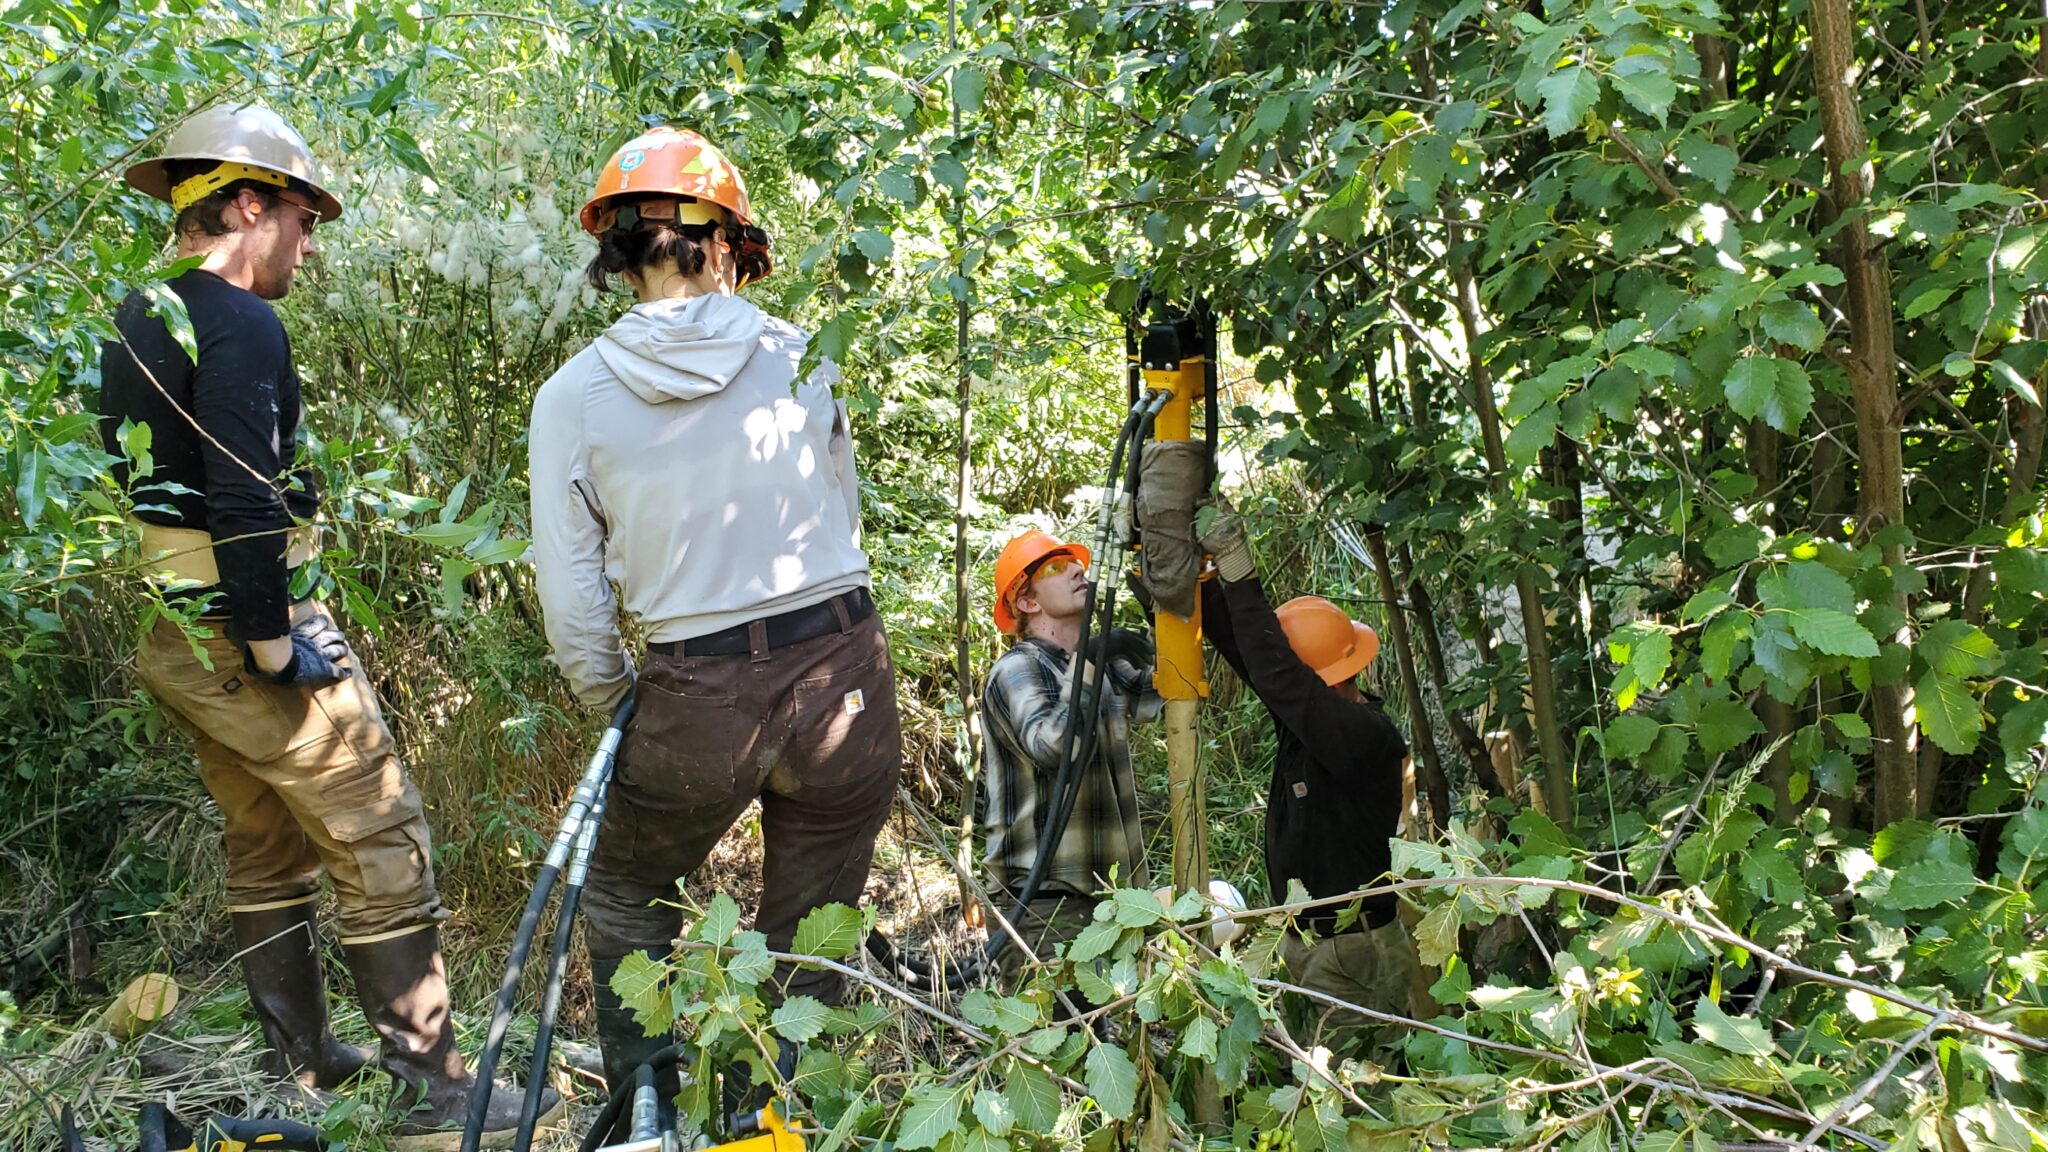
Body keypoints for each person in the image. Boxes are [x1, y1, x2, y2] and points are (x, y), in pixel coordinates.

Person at [100, 103, 555, 1146]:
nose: (310, 244)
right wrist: (274, 646)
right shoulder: (239, 319)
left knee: (265, 842)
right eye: (305, 220)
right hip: (241, 627)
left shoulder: (134, 311)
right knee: (380, 834)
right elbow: (245, 494)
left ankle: (298, 1063)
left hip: (176, 631)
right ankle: (430, 1088)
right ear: (249, 204)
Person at [528, 126, 902, 1120]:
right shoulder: (802, 355)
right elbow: (843, 517)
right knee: (811, 919)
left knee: (620, 889)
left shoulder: (571, 397)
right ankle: (769, 1113)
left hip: (696, 686)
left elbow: (572, 607)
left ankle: (645, 1111)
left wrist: (627, 705)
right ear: (730, 243)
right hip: (845, 670)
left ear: (616, 252)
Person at [1195, 494, 1420, 1057]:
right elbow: (1255, 659)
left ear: (1318, 680)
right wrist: (1194, 579)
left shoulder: (1360, 736)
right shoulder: (1313, 723)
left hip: (1353, 953)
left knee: (1361, 1103)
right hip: (1316, 947)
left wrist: (1239, 568)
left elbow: (1277, 673)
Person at [979, 530, 1160, 986]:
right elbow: (1052, 747)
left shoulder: (1100, 667)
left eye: (1076, 562)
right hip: (1043, 906)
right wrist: (1092, 661)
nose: (1078, 570)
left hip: (1107, 901)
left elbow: (1166, 696)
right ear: (1025, 602)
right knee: (1053, 1045)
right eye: (1056, 568)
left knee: (1099, 1043)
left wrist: (1159, 601)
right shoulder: (1016, 669)